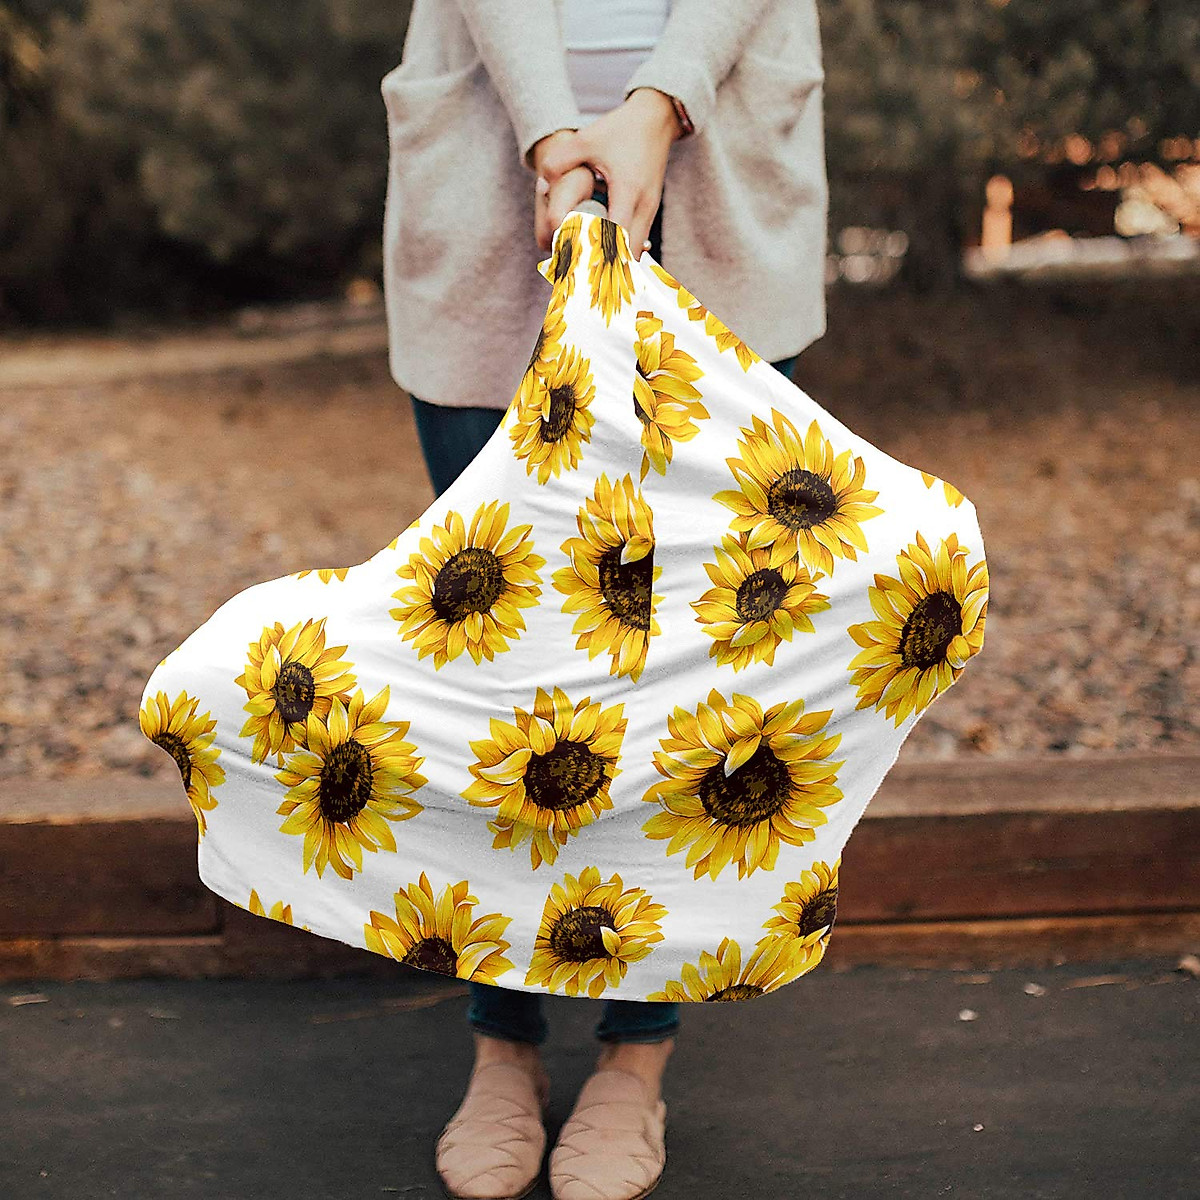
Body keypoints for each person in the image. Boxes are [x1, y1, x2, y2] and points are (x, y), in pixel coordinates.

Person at [378, 3, 828, 1197]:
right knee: (496, 658)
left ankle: (637, 1054)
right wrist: (551, 135)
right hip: (488, 162)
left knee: (688, 665)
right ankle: (503, 1040)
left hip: (723, 167)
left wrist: (660, 106)